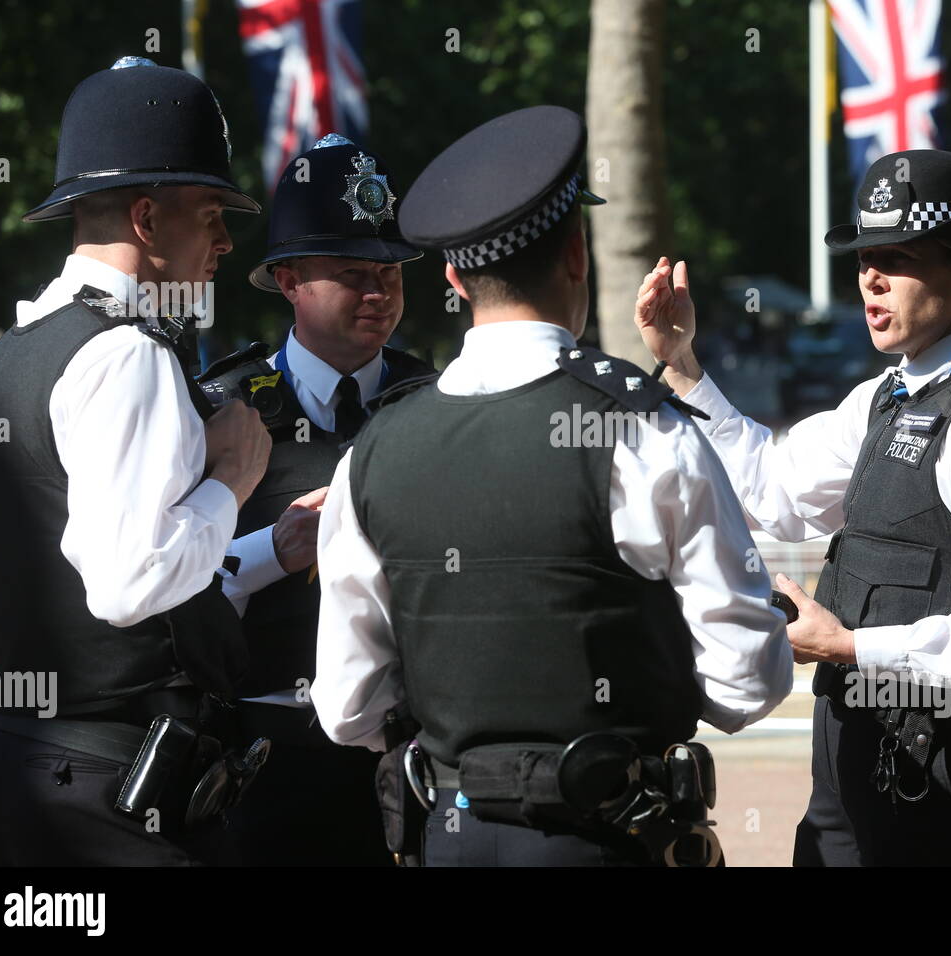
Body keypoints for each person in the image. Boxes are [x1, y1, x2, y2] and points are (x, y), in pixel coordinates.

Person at [310, 105, 793, 867]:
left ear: (451, 275)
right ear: (577, 253)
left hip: (449, 836)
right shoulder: (645, 429)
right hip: (615, 836)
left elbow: (347, 707)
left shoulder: (373, 451)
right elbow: (745, 681)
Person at [636, 149, 951, 866]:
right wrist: (684, 368)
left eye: (898, 257)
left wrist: (844, 648)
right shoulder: (888, 395)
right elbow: (774, 491)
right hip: (858, 771)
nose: (870, 276)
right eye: (866, 255)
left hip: (946, 800)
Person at [0, 57, 271, 866]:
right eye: (209, 214)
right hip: (114, 802)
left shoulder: (6, 358)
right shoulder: (128, 352)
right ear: (145, 218)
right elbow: (130, 584)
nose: (226, 242)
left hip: (19, 773)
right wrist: (230, 483)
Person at [200, 134, 435, 865]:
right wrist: (273, 550)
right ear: (290, 278)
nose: (379, 292)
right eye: (351, 273)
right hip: (267, 761)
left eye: (389, 271)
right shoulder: (221, 411)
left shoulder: (437, 404)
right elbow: (163, 590)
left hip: (410, 755)